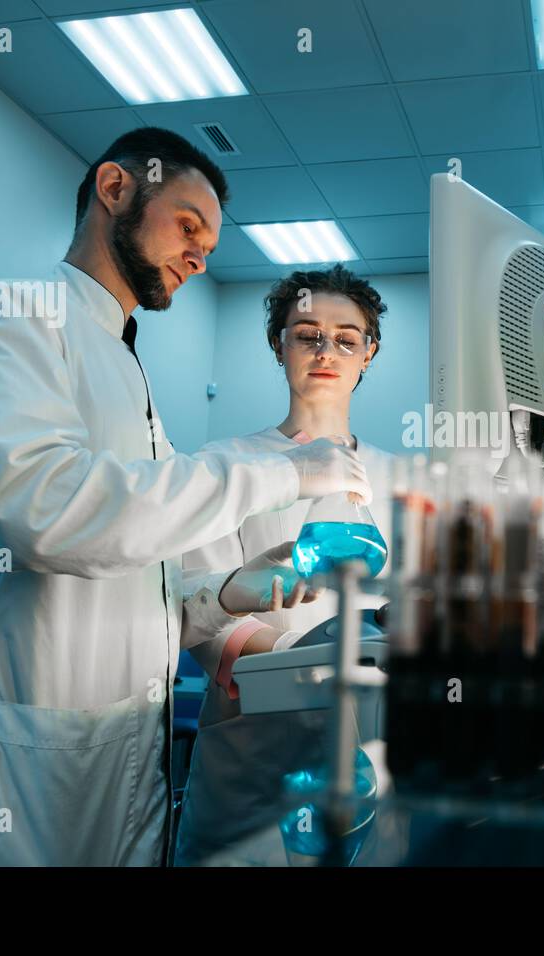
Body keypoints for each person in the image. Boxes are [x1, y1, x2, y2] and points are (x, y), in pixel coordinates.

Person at [0, 128, 371, 867]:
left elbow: (142, 582)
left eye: (208, 241)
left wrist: (230, 592)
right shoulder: (10, 316)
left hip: (108, 765)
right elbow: (46, 515)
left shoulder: (126, 368)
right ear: (116, 189)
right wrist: (291, 472)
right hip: (10, 751)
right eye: (188, 225)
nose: (201, 254)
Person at [174, 264, 393, 866]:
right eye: (306, 333)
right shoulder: (226, 464)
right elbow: (199, 608)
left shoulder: (399, 477)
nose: (327, 351)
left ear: (368, 353)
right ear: (279, 345)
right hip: (254, 751)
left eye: (347, 338)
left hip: (372, 750)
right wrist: (313, 664)